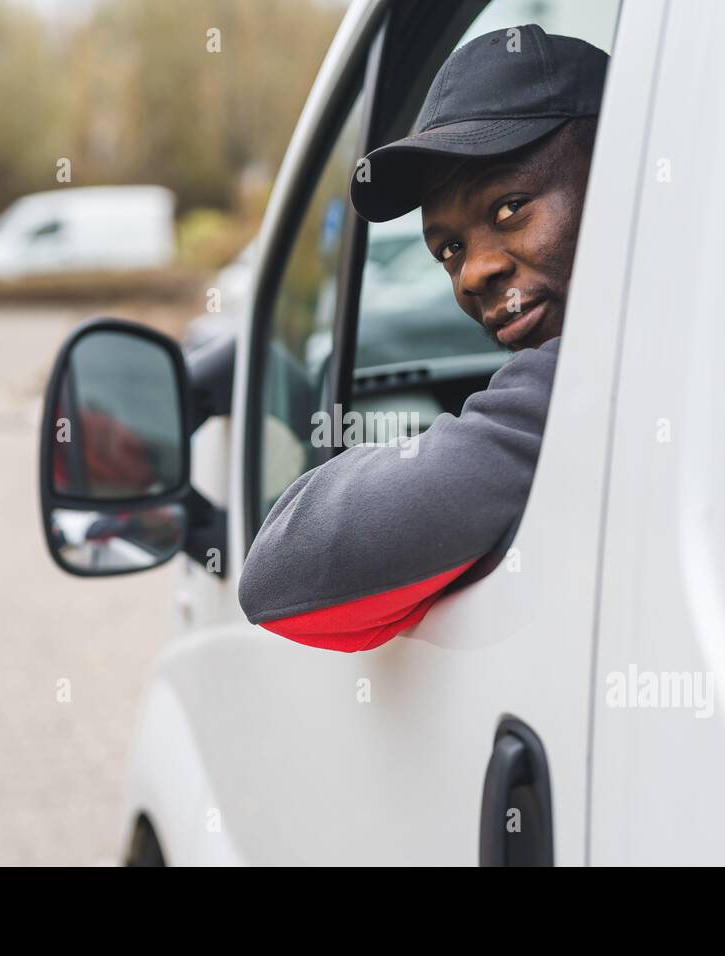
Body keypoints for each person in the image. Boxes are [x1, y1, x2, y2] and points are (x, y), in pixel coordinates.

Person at [238, 24, 609, 652]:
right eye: (450, 248)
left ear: (617, 176)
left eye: (509, 207)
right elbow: (278, 581)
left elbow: (280, 576)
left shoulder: (603, 386)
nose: (473, 273)